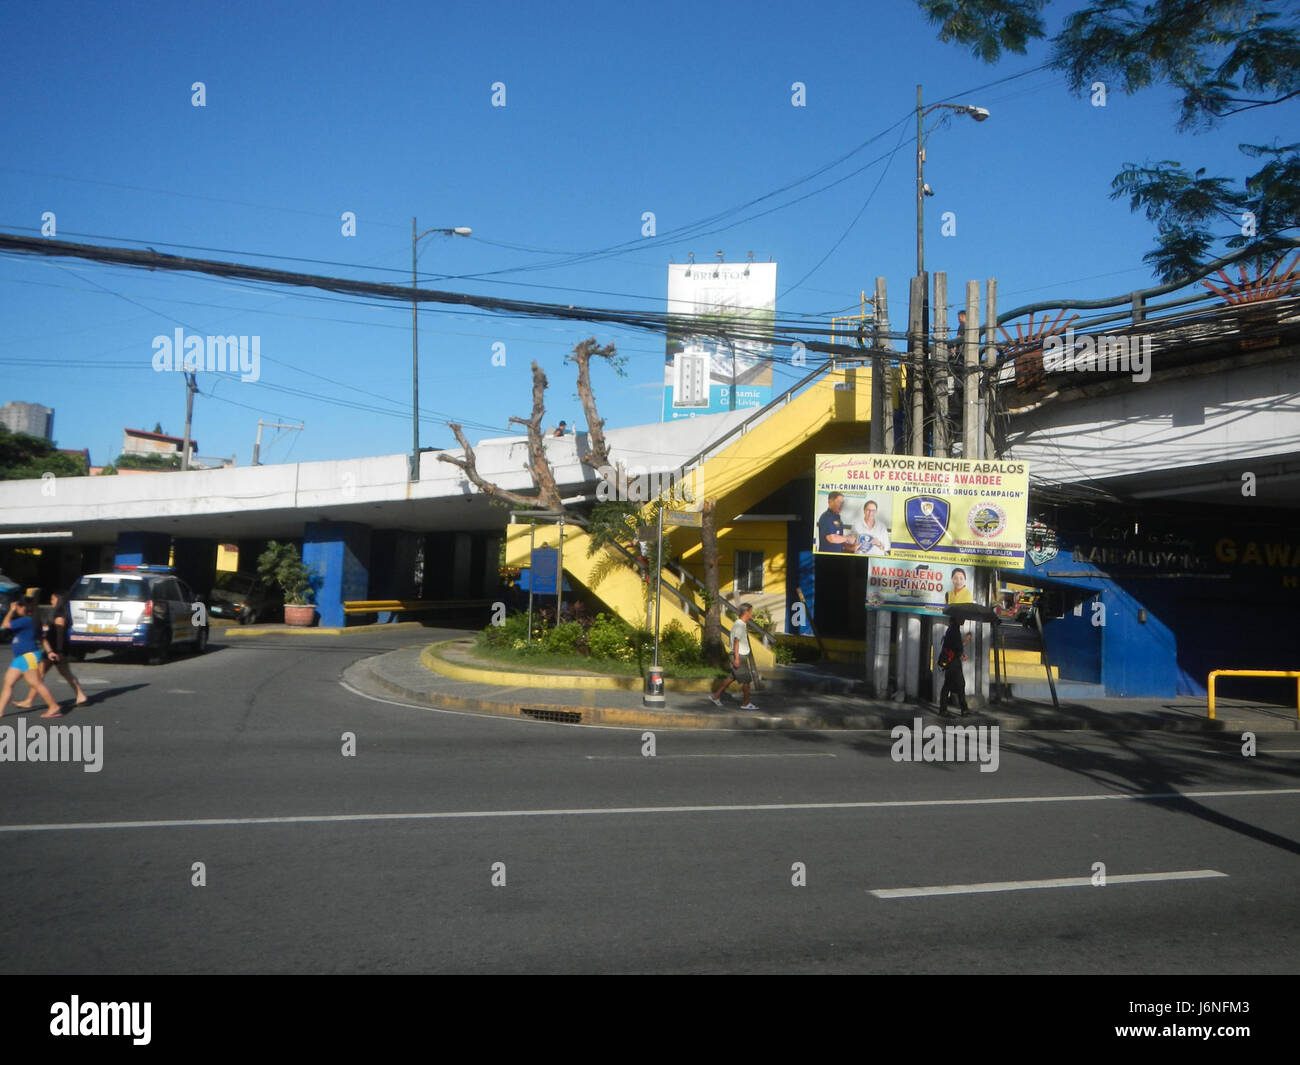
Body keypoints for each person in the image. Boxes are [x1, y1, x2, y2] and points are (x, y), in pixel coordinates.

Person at [14, 591, 89, 709]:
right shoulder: (61, 613)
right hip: (56, 649)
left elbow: (59, 634)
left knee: (43, 674)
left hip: (55, 649)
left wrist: (58, 651)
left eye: (53, 599)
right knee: (60, 673)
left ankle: (29, 701)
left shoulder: (59, 615)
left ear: (59, 600)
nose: (51, 602)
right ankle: (80, 696)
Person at [0, 597, 62, 718]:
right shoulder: (30, 621)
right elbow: (42, 638)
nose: (16, 609)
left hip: (28, 656)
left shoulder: (26, 620)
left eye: (17, 607)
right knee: (8, 682)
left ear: (22, 607)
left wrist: (11, 610)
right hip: (20, 658)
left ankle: (53, 706)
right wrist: (50, 652)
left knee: (35, 683)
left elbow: (5, 625)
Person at [709, 603, 758, 710]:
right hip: (739, 656)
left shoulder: (740, 624)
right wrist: (736, 658)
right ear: (746, 612)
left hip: (739, 655)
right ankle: (745, 703)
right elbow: (736, 641)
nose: (751, 614)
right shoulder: (740, 625)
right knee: (746, 681)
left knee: (731, 677)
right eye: (750, 612)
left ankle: (715, 696)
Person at [938, 615, 971, 716]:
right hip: (953, 663)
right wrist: (966, 641)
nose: (964, 619)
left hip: (951, 661)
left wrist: (961, 653)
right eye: (962, 617)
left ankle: (946, 709)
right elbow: (957, 647)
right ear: (956, 618)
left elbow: (954, 646)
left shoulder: (952, 629)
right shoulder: (954, 630)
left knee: (950, 685)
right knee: (958, 685)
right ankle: (962, 709)